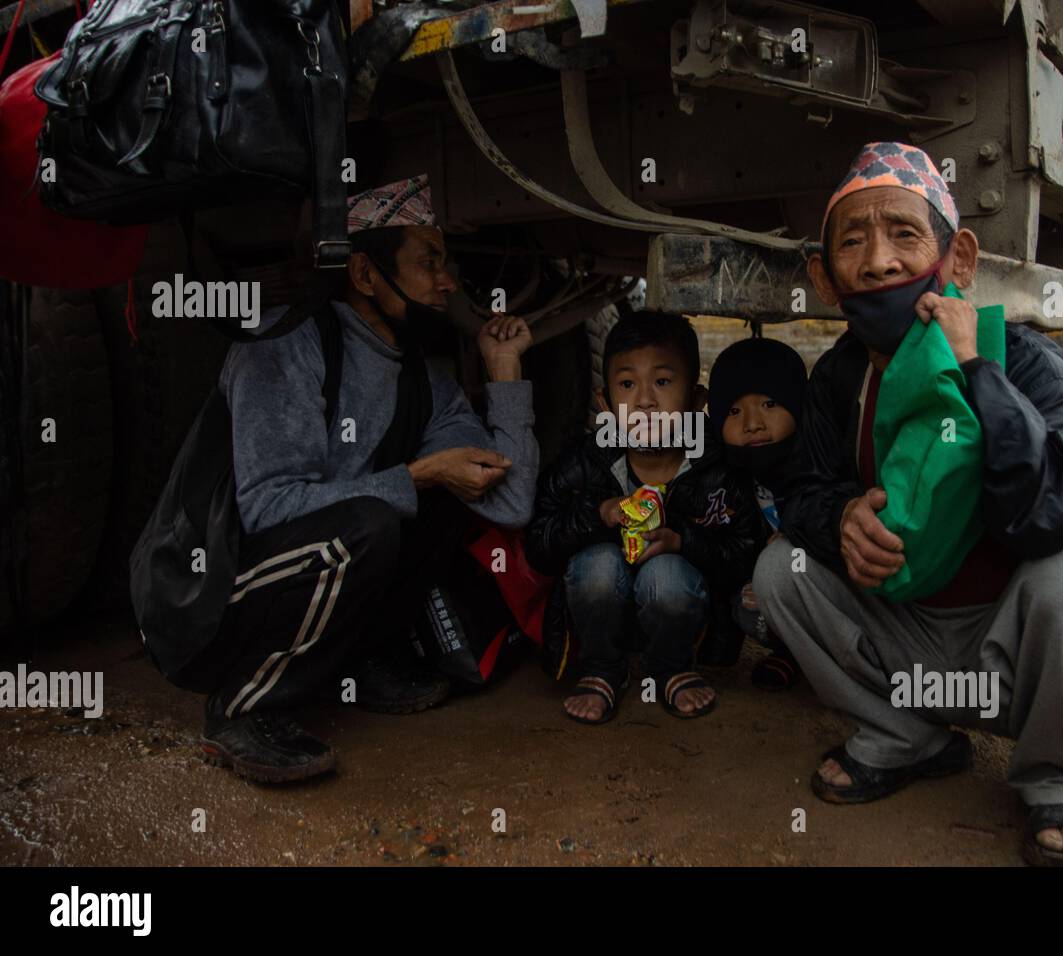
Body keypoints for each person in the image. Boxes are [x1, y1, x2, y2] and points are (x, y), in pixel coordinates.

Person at [752, 142, 1063, 866]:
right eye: (854, 242)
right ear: (825, 279)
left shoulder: (1029, 363)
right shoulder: (839, 379)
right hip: (910, 637)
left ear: (961, 260)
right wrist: (840, 519)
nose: (880, 262)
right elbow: (801, 493)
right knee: (779, 570)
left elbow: (1054, 516)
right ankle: (906, 735)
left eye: (904, 235)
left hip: (1018, 653)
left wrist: (976, 372)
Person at [188, 175, 539, 782]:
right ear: (365, 274)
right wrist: (416, 474)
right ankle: (242, 705)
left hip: (318, 567)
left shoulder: (425, 381)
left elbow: (510, 504)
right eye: (429, 262)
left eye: (445, 262)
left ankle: (354, 663)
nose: (448, 281)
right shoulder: (284, 345)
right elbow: (270, 508)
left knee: (443, 499)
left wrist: (504, 374)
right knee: (375, 518)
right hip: (221, 593)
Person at [525, 313, 764, 724]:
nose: (645, 400)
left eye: (664, 382)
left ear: (696, 401)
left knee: (666, 574)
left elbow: (745, 555)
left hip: (680, 609)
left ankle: (671, 667)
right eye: (627, 384)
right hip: (599, 610)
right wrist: (597, 515)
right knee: (597, 565)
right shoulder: (588, 461)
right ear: (604, 402)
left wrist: (683, 541)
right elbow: (539, 546)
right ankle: (603, 668)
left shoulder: (716, 468)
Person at [707, 336, 808, 691]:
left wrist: (801, 532)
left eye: (769, 403)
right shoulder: (726, 474)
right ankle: (790, 654)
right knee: (747, 608)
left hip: (825, 586)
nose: (752, 423)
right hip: (777, 586)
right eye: (734, 412)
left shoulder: (819, 465)